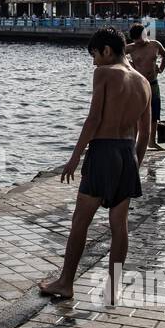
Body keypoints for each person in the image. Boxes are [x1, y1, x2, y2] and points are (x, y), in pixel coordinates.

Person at [38, 27, 150, 304]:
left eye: (95, 55)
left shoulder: (105, 73)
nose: (93, 62)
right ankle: (113, 288)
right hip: (127, 153)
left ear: (107, 50)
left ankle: (65, 283)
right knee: (119, 225)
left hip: (103, 151)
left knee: (80, 221)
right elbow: (146, 133)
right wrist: (135, 162)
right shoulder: (144, 82)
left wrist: (75, 156)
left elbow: (93, 119)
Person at [125, 23, 165, 152]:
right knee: (136, 113)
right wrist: (131, 66)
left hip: (153, 83)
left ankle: (152, 141)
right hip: (138, 84)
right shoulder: (130, 48)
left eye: (141, 39)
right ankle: (133, 141)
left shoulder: (155, 45)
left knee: (154, 112)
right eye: (136, 41)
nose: (139, 43)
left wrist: (160, 68)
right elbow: (118, 58)